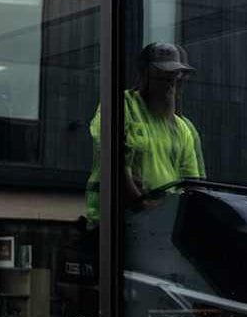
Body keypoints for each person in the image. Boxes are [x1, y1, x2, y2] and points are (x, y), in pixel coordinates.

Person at [83, 42, 205, 225]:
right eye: (162, 78)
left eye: (173, 79)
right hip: (116, 225)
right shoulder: (121, 107)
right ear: (144, 76)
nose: (169, 86)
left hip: (159, 226)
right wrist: (143, 204)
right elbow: (113, 162)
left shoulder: (182, 128)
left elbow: (191, 185)